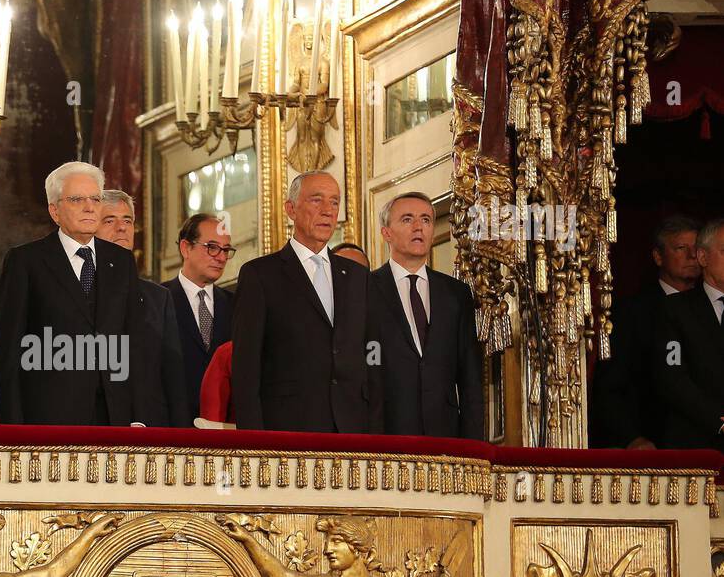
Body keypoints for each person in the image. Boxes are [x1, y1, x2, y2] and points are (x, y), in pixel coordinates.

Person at [231, 170, 381, 433]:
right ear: (291, 209)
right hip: (288, 428)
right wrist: (253, 442)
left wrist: (375, 423)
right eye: (316, 200)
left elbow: (372, 349)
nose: (327, 211)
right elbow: (246, 367)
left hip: (352, 427)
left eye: (334, 202)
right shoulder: (260, 274)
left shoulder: (357, 276)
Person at [0, 162, 138, 425]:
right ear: (55, 211)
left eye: (95, 198)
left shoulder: (121, 261)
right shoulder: (25, 261)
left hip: (114, 415)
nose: (89, 206)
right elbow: (9, 354)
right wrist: (13, 429)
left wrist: (137, 416)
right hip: (49, 417)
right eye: (76, 199)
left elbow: (133, 343)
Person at [368, 191, 484, 439]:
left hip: (445, 437)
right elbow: (368, 361)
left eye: (426, 220)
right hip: (387, 435)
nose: (418, 227)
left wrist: (473, 446)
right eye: (407, 220)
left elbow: (470, 377)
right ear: (386, 232)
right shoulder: (366, 289)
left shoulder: (456, 294)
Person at [591, 214, 701, 449]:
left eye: (697, 248)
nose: (692, 256)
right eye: (681, 248)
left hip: (704, 443)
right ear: (658, 256)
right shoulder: (632, 312)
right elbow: (610, 386)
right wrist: (631, 438)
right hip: (652, 444)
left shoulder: (713, 307)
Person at [101, 189, 189, 427]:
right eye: (110, 220)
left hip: (152, 431)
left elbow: (173, 379)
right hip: (96, 432)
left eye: (127, 220)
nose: (122, 228)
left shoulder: (158, 297)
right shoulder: (80, 293)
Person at [654, 217, 724, 452]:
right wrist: (719, 421)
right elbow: (673, 379)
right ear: (703, 258)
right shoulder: (674, 309)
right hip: (694, 447)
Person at [163, 212, 236, 423]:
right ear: (186, 248)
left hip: (225, 430)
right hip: (171, 429)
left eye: (226, 250)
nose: (221, 257)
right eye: (212, 247)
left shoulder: (237, 304)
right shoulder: (157, 300)